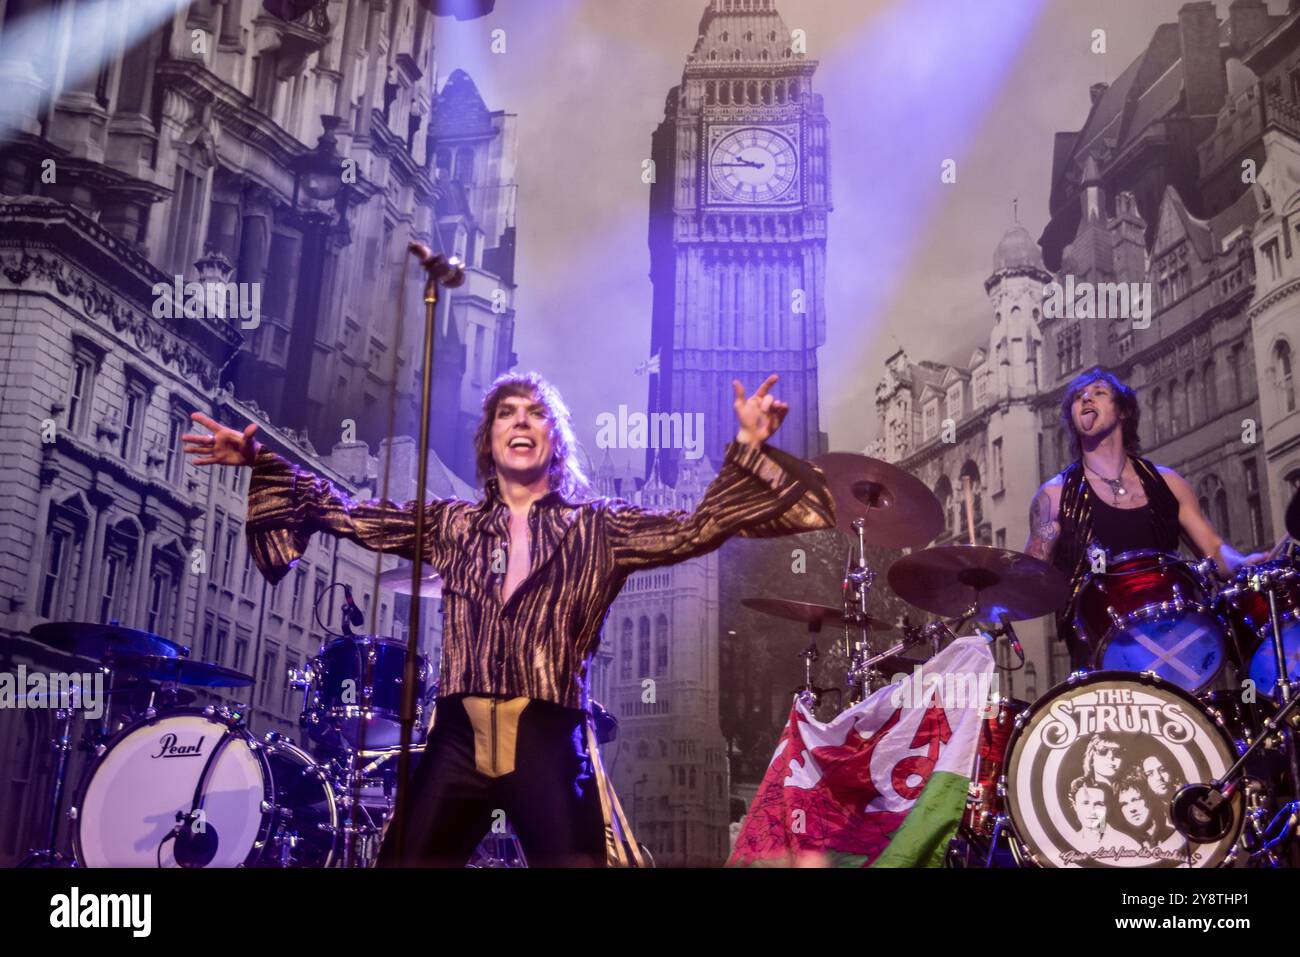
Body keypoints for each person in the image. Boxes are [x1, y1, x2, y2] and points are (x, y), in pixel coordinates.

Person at [183, 372, 835, 866]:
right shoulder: (452, 524)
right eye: (505, 413)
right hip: (458, 739)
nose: (520, 421)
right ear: (489, 439)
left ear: (554, 438)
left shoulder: (598, 527)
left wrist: (748, 445)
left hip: (548, 738)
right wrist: (263, 462)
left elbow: (697, 529)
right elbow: (355, 514)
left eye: (535, 413)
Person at [1024, 367, 1268, 669]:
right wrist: (994, 582)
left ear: (1123, 410)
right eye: (1077, 397)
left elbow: (1216, 552)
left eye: (1098, 393)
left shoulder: (1168, 483)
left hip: (1176, 643)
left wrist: (1246, 564)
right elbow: (1030, 576)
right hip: (1098, 658)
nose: (1086, 399)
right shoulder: (1055, 494)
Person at [1114, 769, 1177, 850]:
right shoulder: (1122, 843)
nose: (1132, 809)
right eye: (1124, 804)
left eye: (1136, 799)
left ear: (1149, 799)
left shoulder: (1173, 834)